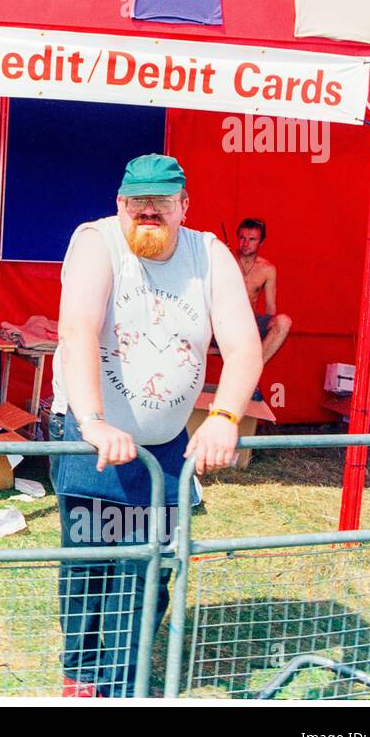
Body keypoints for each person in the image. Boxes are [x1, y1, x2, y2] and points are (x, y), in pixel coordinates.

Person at [50, 153, 262, 697]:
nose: (148, 211)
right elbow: (78, 333)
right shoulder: (96, 243)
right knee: (92, 559)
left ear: (183, 207)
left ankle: (124, 680)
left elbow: (242, 348)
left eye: (161, 202)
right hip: (91, 432)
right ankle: (81, 675)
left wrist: (222, 416)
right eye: (137, 202)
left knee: (152, 564)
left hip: (166, 442)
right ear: (119, 204)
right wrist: (94, 421)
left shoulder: (210, 254)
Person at [235, 218, 292, 364]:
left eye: (252, 239)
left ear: (261, 242)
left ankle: (252, 369)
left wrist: (271, 334)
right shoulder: (225, 259)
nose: (246, 243)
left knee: (283, 322)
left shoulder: (267, 269)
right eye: (242, 238)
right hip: (222, 321)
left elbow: (270, 309)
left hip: (250, 322)